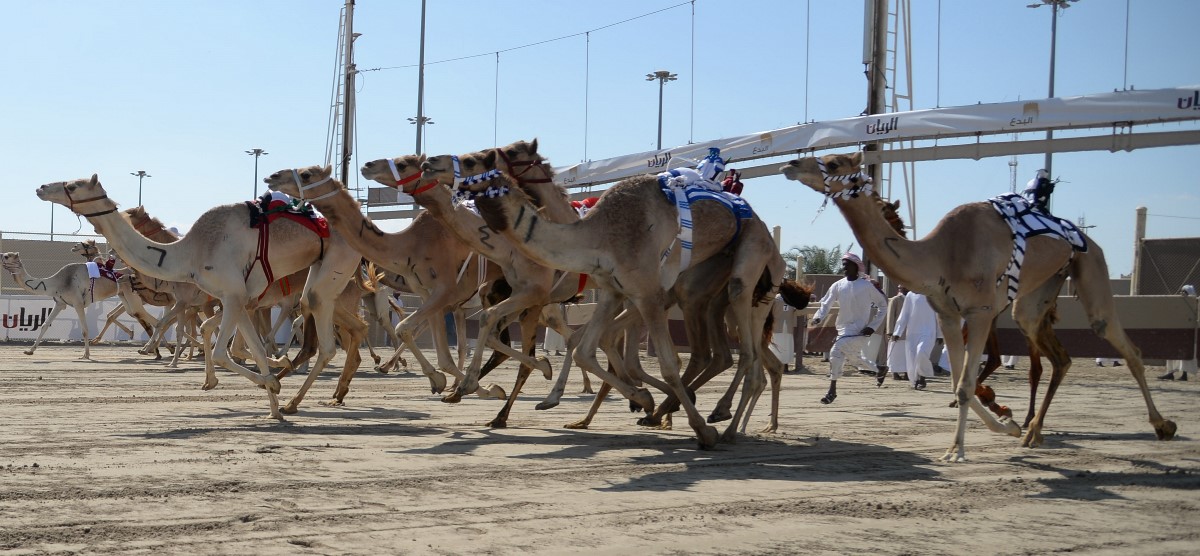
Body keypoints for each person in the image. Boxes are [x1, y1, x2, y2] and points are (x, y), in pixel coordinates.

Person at [809, 252, 887, 404]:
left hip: (860, 331)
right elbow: (826, 303)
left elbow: (883, 306)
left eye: (846, 264)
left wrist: (872, 326)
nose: (843, 267)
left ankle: (832, 391)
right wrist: (819, 317)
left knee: (835, 352)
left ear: (855, 266)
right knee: (855, 360)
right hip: (843, 330)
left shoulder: (866, 285)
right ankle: (880, 369)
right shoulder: (838, 285)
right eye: (843, 264)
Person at [891, 288, 940, 390]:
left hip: (929, 331)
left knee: (921, 352)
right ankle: (915, 380)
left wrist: (940, 334)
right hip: (912, 332)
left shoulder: (932, 294)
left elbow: (938, 315)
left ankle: (922, 377)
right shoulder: (910, 295)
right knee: (912, 357)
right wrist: (897, 332)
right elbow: (904, 314)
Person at [1159, 284, 1198, 381]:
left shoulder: (1195, 303)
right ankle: (1170, 373)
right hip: (1177, 331)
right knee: (1171, 352)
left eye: (1184, 292)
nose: (1182, 293)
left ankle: (1184, 375)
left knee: (1185, 355)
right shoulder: (1179, 302)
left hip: (1188, 333)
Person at [884, 285, 910, 381]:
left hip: (909, 332)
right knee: (896, 354)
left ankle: (907, 373)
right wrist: (890, 331)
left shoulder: (911, 299)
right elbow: (890, 316)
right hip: (897, 333)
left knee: (907, 354)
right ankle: (895, 373)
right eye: (901, 287)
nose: (903, 289)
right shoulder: (895, 300)